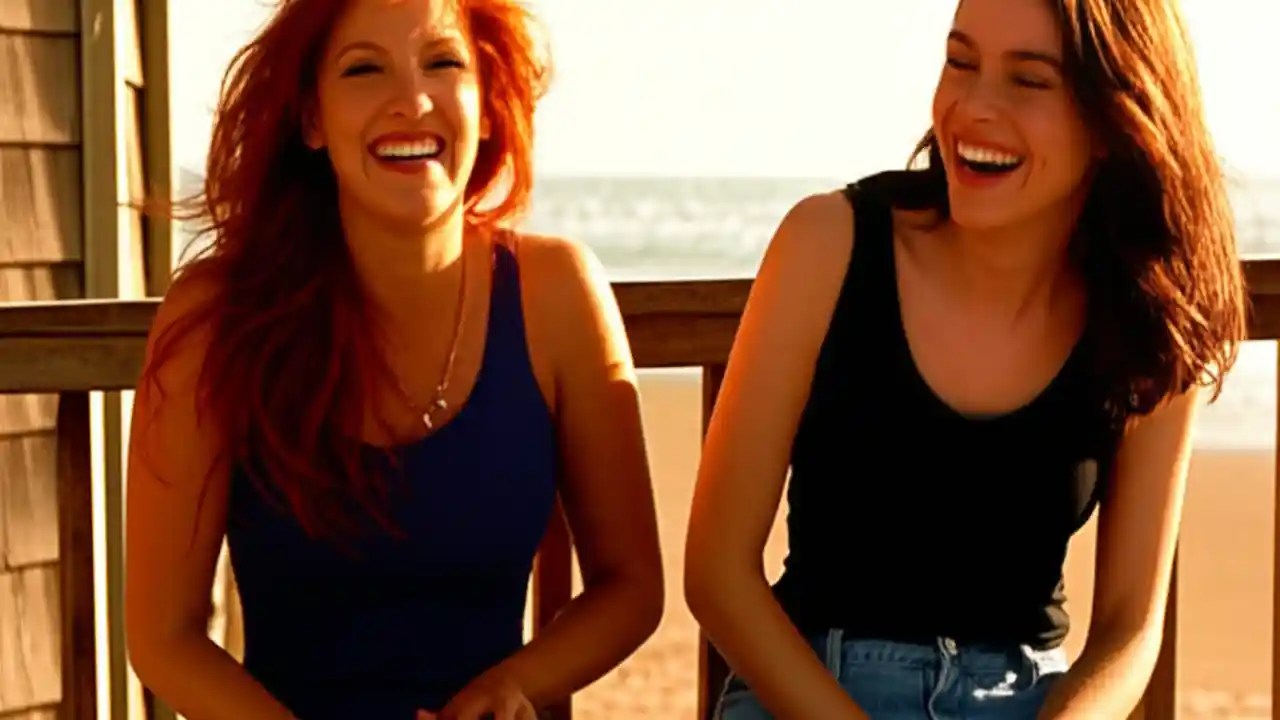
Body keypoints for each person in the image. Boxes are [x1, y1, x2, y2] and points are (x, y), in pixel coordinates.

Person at [684, 0, 1247, 717]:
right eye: (961, 61)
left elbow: (1128, 630)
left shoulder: (1151, 314)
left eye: (1029, 80)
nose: (974, 106)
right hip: (809, 696)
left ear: (1115, 118)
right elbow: (717, 573)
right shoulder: (828, 243)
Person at [124, 1, 664, 718]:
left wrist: (514, 685)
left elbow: (630, 586)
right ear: (311, 119)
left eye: (443, 63)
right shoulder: (213, 317)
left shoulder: (558, 293)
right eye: (364, 69)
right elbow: (163, 638)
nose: (411, 100)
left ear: (488, 103)